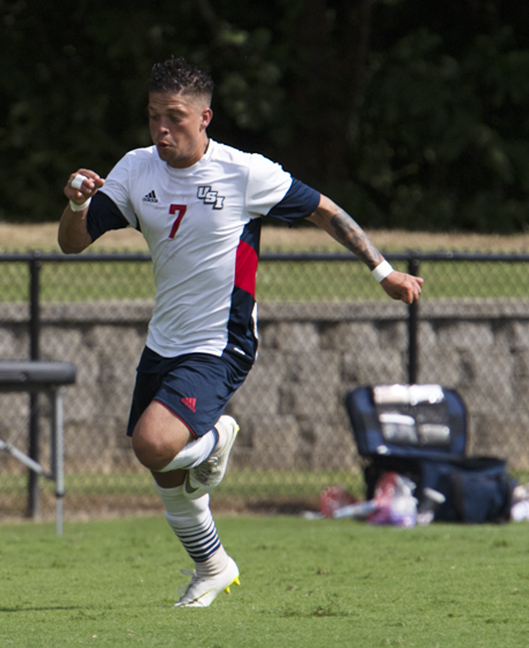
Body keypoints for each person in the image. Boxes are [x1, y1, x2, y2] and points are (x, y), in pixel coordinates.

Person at [57, 57, 423, 607]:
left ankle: (215, 440)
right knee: (166, 475)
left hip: (221, 342)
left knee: (154, 445)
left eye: (175, 117)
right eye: (153, 116)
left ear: (205, 117)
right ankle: (212, 566)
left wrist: (383, 271)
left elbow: (324, 210)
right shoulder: (135, 169)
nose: (161, 129)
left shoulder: (243, 173)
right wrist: (76, 203)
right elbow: (73, 242)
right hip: (164, 340)